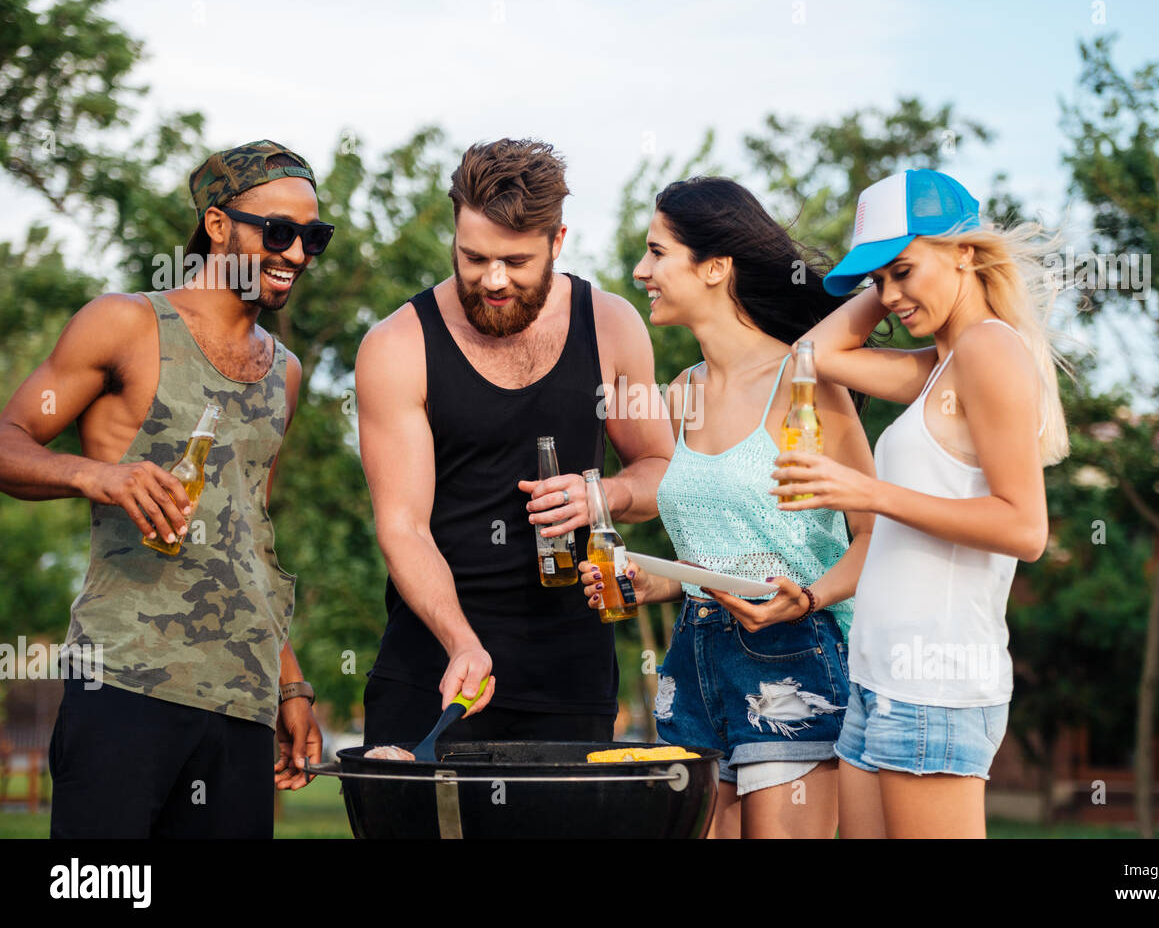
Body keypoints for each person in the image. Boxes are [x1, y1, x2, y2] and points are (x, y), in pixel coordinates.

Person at [0, 140, 328, 837]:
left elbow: (250, 538)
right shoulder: (125, 323)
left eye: (311, 236)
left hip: (242, 700)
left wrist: (289, 678)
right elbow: (9, 441)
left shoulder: (286, 373)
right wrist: (97, 474)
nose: (296, 253)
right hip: (124, 682)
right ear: (217, 225)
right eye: (278, 231)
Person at [775, 168, 1069, 838]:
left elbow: (1025, 527)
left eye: (904, 270)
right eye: (878, 281)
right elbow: (809, 354)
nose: (890, 294)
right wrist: (891, 277)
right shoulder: (940, 363)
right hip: (881, 680)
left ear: (966, 251)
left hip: (934, 690)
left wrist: (871, 492)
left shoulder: (989, 348)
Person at [580, 177, 876, 838]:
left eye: (658, 252)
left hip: (793, 658)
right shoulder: (683, 389)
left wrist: (806, 597)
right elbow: (711, 558)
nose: (641, 270)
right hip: (694, 659)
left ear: (715, 267)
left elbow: (874, 536)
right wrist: (649, 579)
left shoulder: (805, 380)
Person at [358, 139, 674, 746]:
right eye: (473, 257)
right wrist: (462, 642)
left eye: (516, 261)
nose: (493, 281)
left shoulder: (611, 326)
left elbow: (660, 470)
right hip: (434, 670)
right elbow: (403, 526)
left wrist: (600, 495)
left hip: (573, 675)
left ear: (557, 241)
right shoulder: (396, 345)